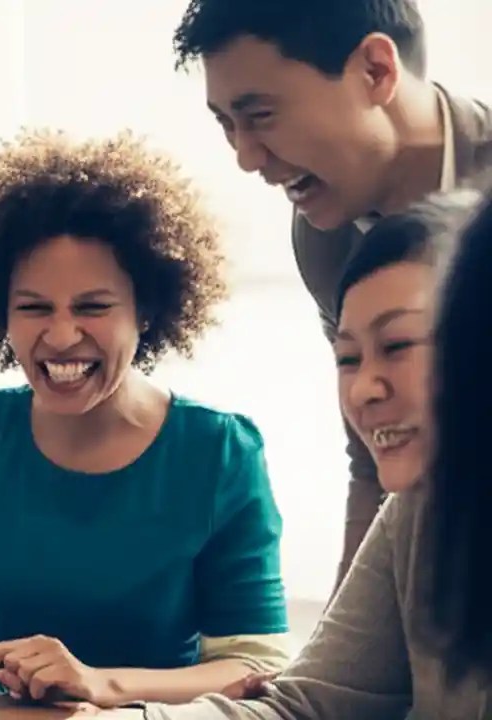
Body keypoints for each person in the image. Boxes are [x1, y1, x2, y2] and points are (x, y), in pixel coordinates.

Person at [0, 130, 290, 710]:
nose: (62, 336)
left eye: (93, 307)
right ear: (0, 315)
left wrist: (101, 683)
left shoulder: (218, 452)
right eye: (34, 308)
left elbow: (256, 669)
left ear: (146, 312)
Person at [137, 186, 492, 719]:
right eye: (347, 358)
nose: (363, 389)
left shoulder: (215, 446)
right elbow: (307, 706)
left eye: (397, 345)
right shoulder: (417, 512)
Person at [172, 0, 492, 590]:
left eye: (261, 115)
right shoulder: (323, 236)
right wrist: (330, 660)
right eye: (226, 124)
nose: (245, 157)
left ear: (375, 70)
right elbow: (375, 459)